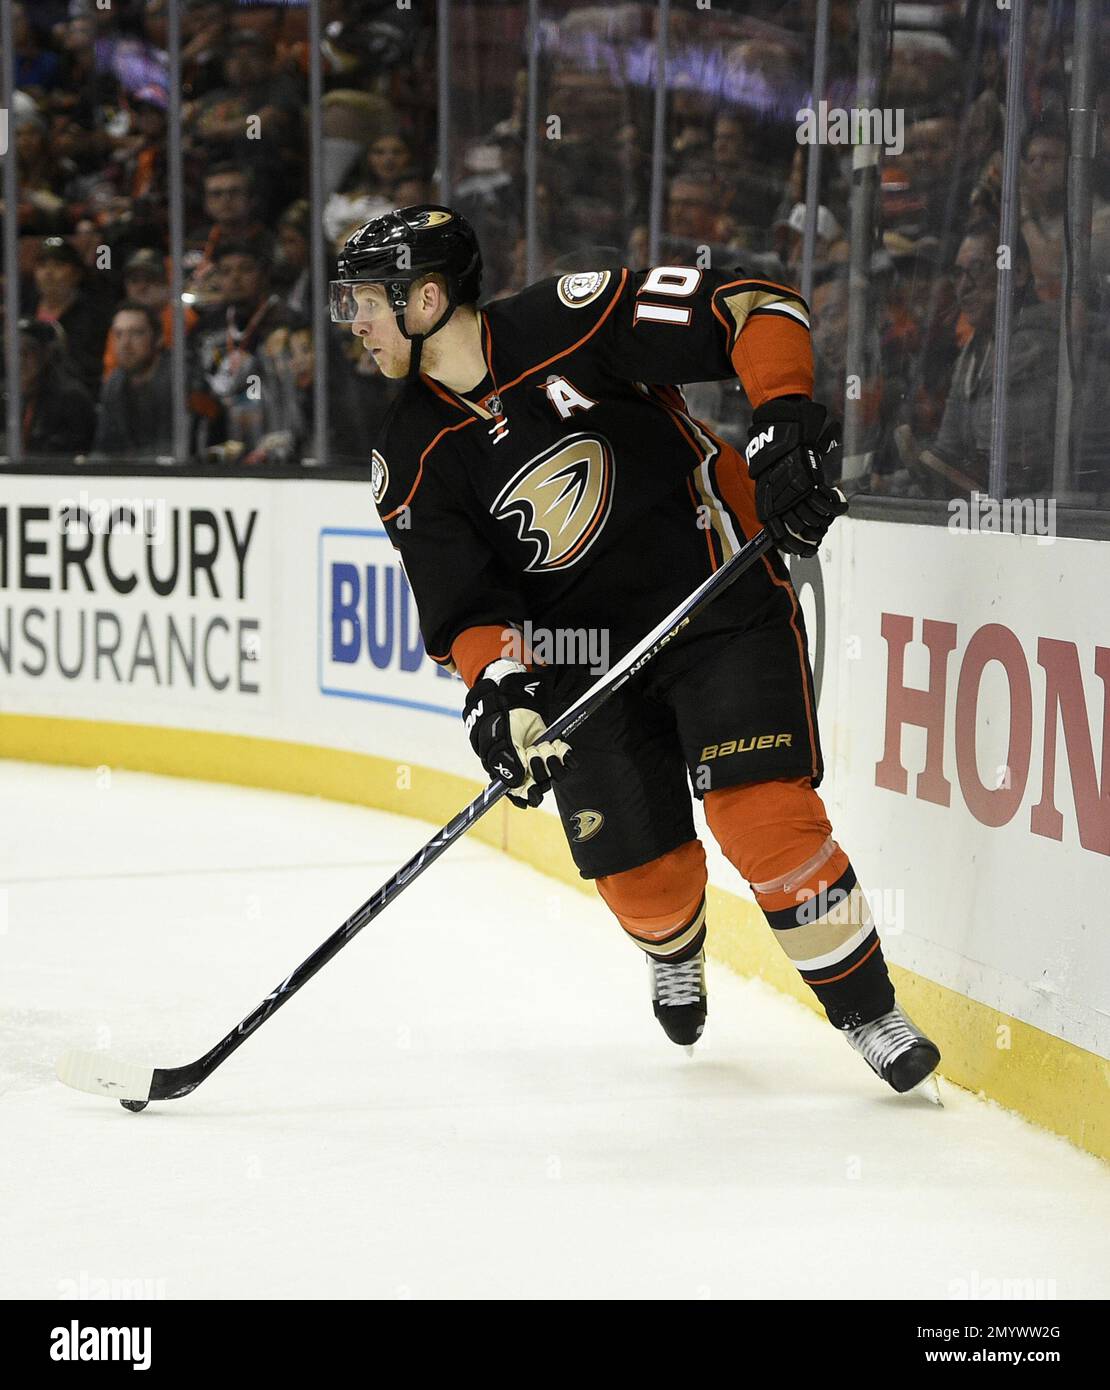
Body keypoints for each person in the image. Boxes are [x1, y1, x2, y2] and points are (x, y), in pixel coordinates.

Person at [329, 205, 943, 1095]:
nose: (355, 324)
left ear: (426, 299)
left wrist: (780, 420)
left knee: (762, 815)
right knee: (645, 885)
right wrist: (501, 694)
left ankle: (869, 1013)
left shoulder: (569, 317)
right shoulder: (407, 452)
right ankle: (675, 945)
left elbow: (754, 304)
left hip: (715, 596)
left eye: (368, 303)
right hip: (584, 664)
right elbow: (467, 603)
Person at [90, 302, 174, 461]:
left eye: (136, 333)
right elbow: (103, 448)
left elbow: (174, 450)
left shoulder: (178, 382)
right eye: (118, 334)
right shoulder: (114, 384)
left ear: (159, 338)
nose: (125, 343)